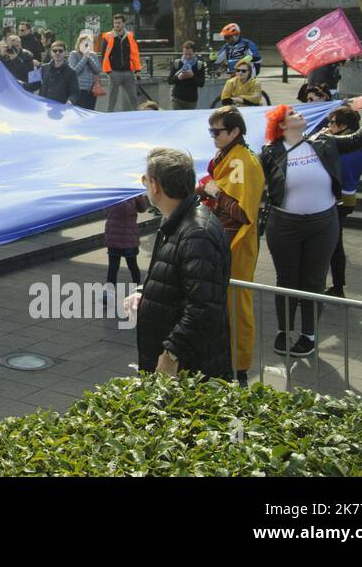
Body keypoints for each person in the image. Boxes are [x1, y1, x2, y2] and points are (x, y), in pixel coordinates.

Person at [260, 96, 362, 357]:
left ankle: (308, 335)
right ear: (281, 125)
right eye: (291, 114)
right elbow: (253, 176)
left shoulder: (325, 141)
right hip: (284, 225)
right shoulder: (271, 151)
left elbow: (358, 139)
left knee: (314, 281)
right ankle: (284, 330)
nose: (298, 115)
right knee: (286, 280)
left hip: (323, 225)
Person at [127, 148, 231, 378]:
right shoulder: (177, 221)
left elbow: (204, 308)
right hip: (180, 363)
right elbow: (178, 280)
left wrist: (171, 353)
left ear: (155, 186)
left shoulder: (196, 233)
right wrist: (145, 295)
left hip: (188, 370)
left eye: (145, 179)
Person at [198, 106, 264, 385]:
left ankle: (239, 369)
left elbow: (241, 211)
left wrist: (212, 190)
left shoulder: (243, 161)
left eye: (217, 131)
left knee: (236, 305)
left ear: (235, 131)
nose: (213, 136)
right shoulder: (225, 156)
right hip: (216, 244)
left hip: (234, 246)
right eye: (210, 131)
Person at [316, 105, 362, 298]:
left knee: (332, 244)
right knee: (335, 243)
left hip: (338, 200)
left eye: (332, 123)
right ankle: (337, 285)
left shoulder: (348, 147)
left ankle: (336, 286)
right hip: (343, 199)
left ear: (343, 125)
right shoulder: (352, 143)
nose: (328, 126)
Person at [103, 194, 147, 302]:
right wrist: (132, 196)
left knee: (132, 266)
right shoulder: (116, 194)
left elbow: (143, 208)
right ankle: (109, 294)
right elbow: (125, 209)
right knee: (113, 267)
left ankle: (137, 290)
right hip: (115, 236)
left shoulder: (130, 195)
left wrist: (138, 196)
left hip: (128, 237)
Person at [100, 13, 141, 112]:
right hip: (114, 72)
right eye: (115, 23)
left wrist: (137, 70)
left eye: (119, 23)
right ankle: (109, 116)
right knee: (112, 99)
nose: (116, 25)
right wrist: (109, 72)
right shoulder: (108, 36)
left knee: (133, 97)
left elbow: (134, 53)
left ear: (124, 23)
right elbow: (104, 56)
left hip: (128, 72)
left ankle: (138, 116)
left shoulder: (130, 36)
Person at [166, 41, 207, 110]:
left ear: (194, 53)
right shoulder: (177, 63)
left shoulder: (199, 65)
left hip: (191, 100)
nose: (187, 57)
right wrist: (178, 77)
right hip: (177, 98)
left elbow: (201, 83)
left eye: (190, 54)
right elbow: (170, 81)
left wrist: (192, 76)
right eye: (185, 54)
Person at [68, 32, 102, 110]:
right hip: (79, 89)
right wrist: (84, 58)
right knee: (79, 111)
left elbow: (97, 70)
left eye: (88, 44)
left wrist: (89, 57)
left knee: (90, 111)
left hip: (92, 90)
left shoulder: (93, 55)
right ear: (79, 43)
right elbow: (74, 72)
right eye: (84, 44)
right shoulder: (74, 54)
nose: (86, 46)